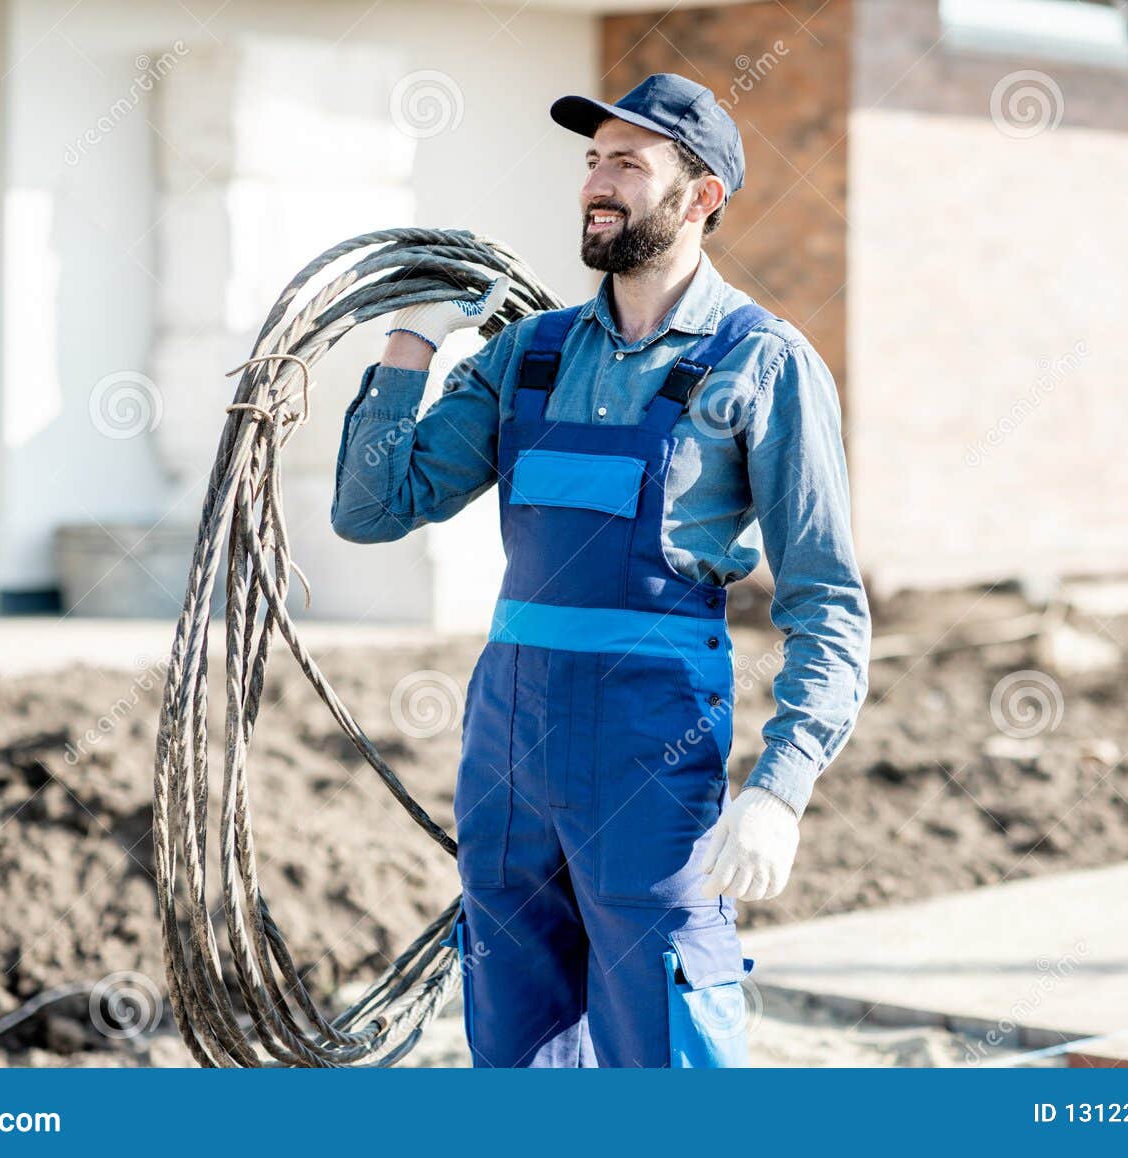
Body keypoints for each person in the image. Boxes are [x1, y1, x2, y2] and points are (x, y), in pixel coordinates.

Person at [332, 72, 869, 1067]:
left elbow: (827, 601)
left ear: (701, 195)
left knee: (663, 1016)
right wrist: (412, 344)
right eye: (591, 162)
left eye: (627, 162)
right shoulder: (525, 357)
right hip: (506, 753)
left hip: (650, 755)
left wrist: (781, 786)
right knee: (515, 1021)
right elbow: (373, 510)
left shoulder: (761, 364)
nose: (597, 184)